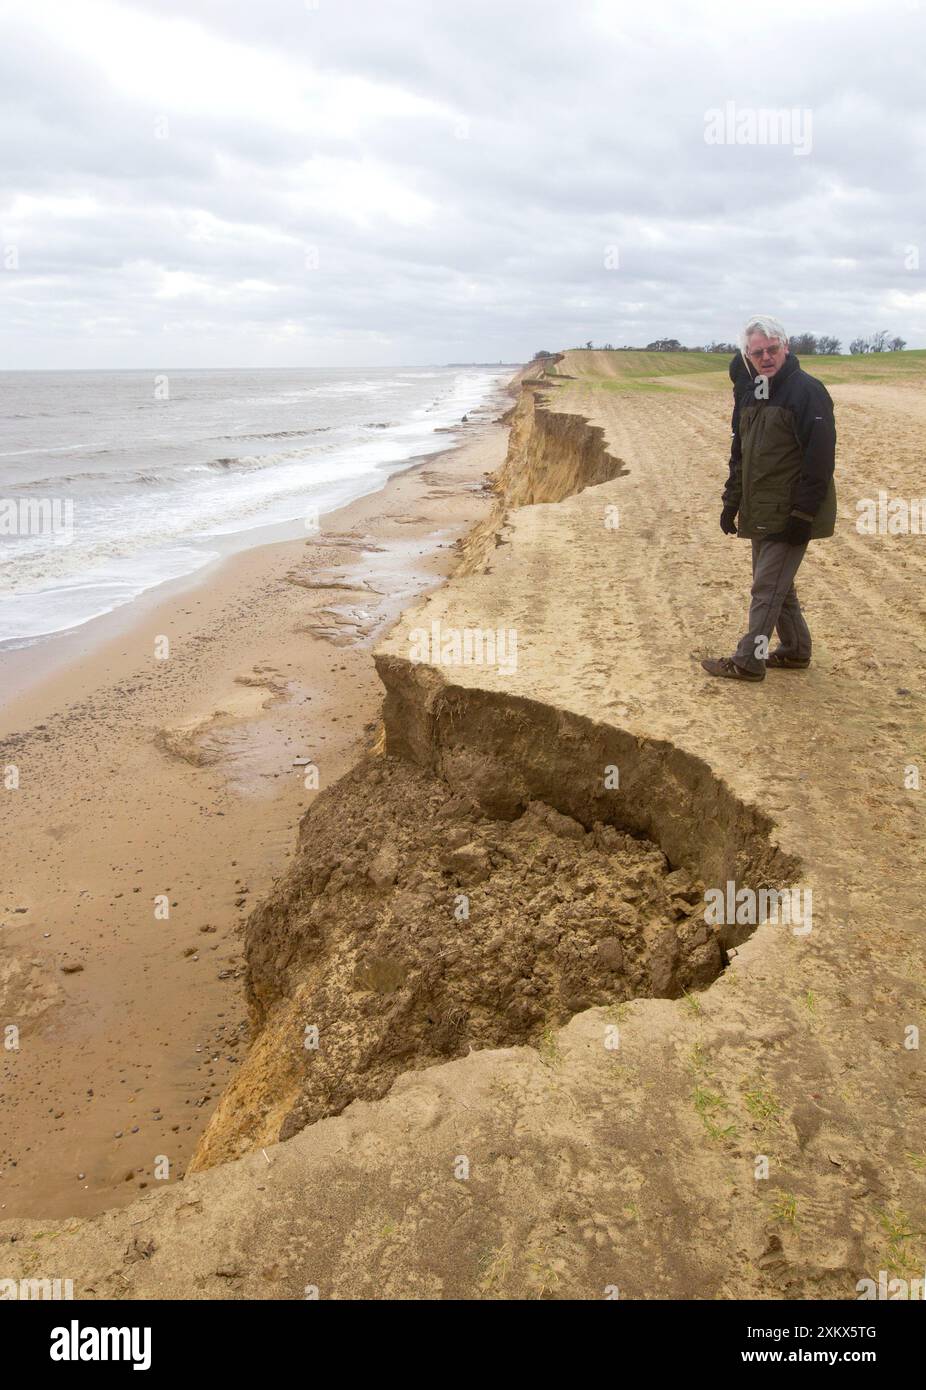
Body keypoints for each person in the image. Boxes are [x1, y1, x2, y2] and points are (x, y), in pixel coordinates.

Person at [701, 315, 837, 682]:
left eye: (771, 349)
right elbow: (740, 452)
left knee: (766, 587)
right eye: (757, 352)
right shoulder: (753, 393)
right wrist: (732, 502)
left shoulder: (807, 391)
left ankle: (748, 661)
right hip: (760, 508)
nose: (766, 357)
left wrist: (803, 515)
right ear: (748, 356)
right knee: (778, 585)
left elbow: (820, 459)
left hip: (791, 511)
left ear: (786, 347)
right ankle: (795, 651)